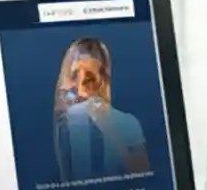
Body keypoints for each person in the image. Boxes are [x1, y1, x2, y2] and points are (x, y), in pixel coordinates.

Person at [53, 38, 150, 181]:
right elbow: (66, 183)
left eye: (89, 78)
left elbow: (143, 176)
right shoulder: (66, 125)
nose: (80, 90)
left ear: (103, 79)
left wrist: (108, 127)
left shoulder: (128, 123)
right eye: (75, 76)